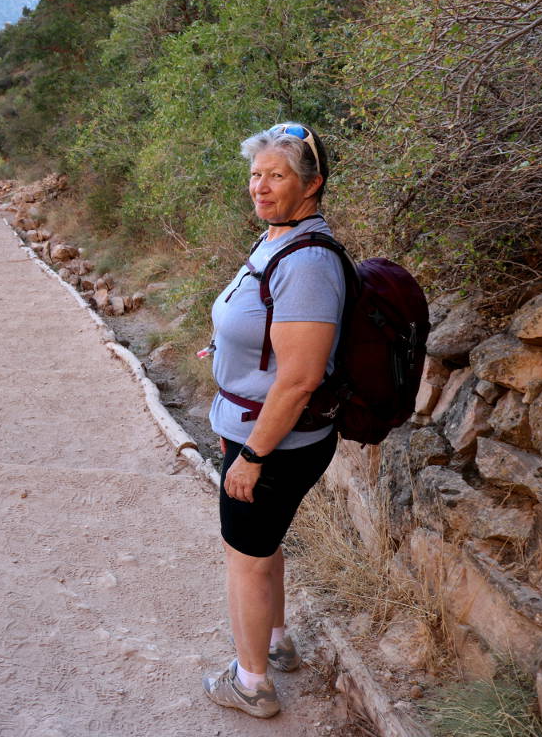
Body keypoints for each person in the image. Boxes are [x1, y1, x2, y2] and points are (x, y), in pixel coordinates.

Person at [201, 122, 346, 718]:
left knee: (246, 556)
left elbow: (300, 378)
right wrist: (225, 357)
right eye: (256, 174)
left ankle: (251, 682)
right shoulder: (280, 238)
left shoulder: (309, 261)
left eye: (276, 175)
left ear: (310, 185)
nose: (260, 186)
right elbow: (264, 333)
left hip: (276, 442)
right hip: (256, 427)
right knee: (263, 545)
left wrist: (253, 456)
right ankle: (278, 643)